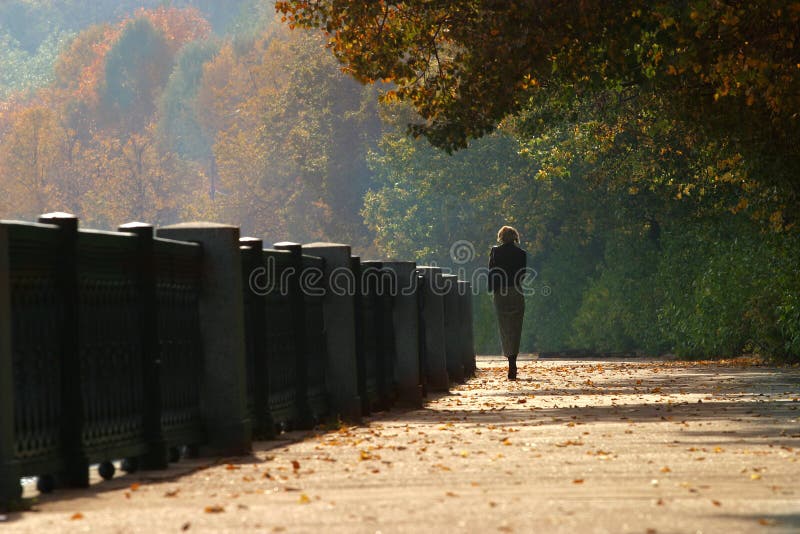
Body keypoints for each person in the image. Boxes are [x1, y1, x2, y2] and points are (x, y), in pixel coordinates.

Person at [488, 225, 527, 380]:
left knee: (504, 326)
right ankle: (513, 361)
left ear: (501, 237)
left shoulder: (495, 252)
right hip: (516, 291)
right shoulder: (521, 253)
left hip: (500, 293)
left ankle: (510, 360)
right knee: (516, 326)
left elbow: (490, 271)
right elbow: (522, 274)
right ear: (515, 237)